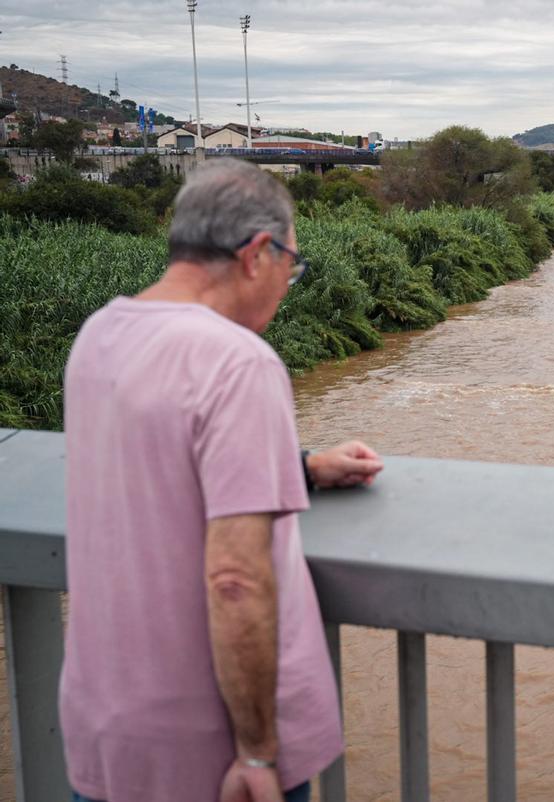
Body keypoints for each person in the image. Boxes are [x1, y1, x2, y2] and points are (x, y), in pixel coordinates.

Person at [61, 159, 384, 802]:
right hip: (210, 754)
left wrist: (300, 468)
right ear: (257, 253)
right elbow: (235, 579)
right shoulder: (239, 361)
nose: (288, 283)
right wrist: (259, 756)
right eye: (292, 266)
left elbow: (155, 477)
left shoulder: (100, 334)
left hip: (107, 733)